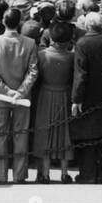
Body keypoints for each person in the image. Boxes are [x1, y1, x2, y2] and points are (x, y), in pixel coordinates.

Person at [0, 7, 38, 184]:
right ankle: (19, 175)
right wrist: (21, 91)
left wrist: (7, 91)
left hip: (0, 96)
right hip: (22, 97)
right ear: (20, 22)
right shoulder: (30, 43)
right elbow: (33, 72)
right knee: (21, 135)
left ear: (3, 21)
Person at [71, 12, 102, 184]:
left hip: (88, 96)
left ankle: (87, 174)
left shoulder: (83, 43)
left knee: (88, 137)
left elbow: (81, 74)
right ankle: (101, 173)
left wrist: (76, 99)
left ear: (87, 25)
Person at [33, 20, 76, 183]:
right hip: (65, 94)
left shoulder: (42, 55)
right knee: (64, 133)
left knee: (45, 133)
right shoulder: (72, 56)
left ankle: (45, 174)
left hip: (46, 94)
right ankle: (64, 173)